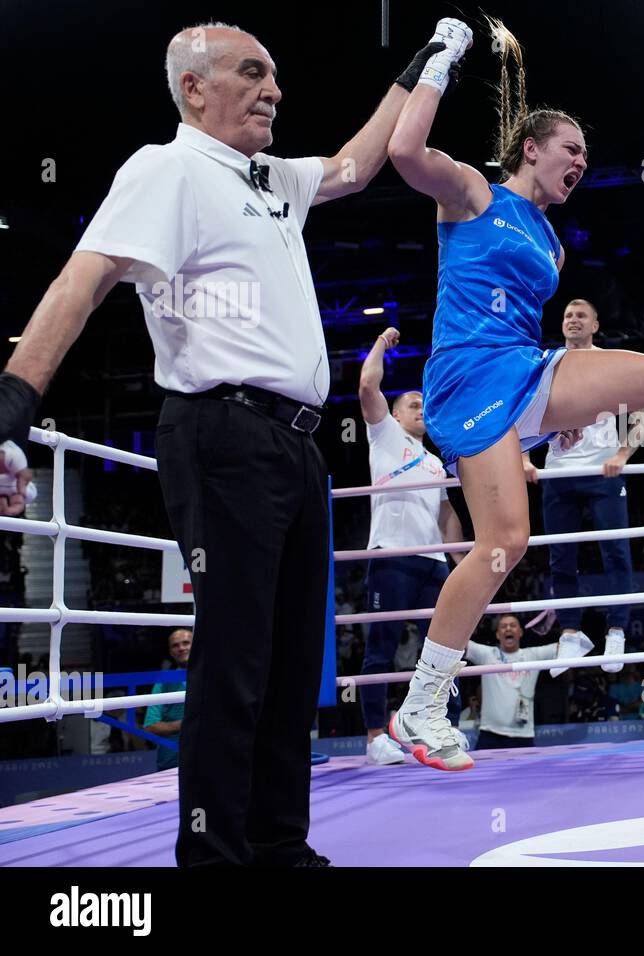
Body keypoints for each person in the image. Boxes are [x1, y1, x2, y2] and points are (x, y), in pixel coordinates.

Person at [0, 20, 453, 866]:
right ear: (193, 89)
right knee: (238, 658)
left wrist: (419, 68)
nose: (275, 90)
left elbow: (359, 164)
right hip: (222, 432)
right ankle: (214, 858)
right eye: (253, 73)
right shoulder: (165, 167)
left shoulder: (271, 177)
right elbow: (82, 280)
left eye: (277, 76)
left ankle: (281, 845)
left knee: (290, 666)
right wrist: (12, 406)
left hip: (298, 444)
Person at [382, 17, 644, 771]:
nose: (583, 162)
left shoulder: (552, 241)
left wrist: (561, 413)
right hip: (465, 381)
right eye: (571, 149)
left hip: (524, 369)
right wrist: (439, 58)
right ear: (532, 148)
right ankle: (421, 708)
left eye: (587, 153)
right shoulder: (474, 194)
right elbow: (403, 151)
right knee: (503, 546)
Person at [357, 327, 467, 765]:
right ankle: (373, 738)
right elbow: (368, 385)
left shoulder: (436, 460)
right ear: (396, 415)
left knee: (443, 650)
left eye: (425, 405)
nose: (422, 410)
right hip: (391, 556)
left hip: (433, 564)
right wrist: (380, 345)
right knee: (381, 645)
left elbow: (446, 516)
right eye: (414, 405)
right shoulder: (384, 436)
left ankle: (445, 728)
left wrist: (461, 562)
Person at [532, 298, 644, 675]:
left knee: (614, 551)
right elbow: (520, 416)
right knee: (560, 557)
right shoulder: (547, 363)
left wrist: (623, 455)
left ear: (596, 324)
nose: (573, 320)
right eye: (568, 316)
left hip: (603, 472)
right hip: (556, 473)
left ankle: (616, 631)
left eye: (581, 315)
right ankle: (570, 634)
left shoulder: (610, 363)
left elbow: (643, 416)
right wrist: (523, 461)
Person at [463, 614, 592, 749]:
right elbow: (459, 644)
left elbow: (576, 646)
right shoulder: (487, 654)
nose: (508, 629)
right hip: (489, 733)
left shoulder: (532, 655)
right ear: (497, 634)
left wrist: (565, 625)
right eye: (503, 626)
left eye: (513, 625)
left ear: (520, 632)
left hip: (523, 735)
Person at [142, 628, 192, 770]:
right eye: (175, 645)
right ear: (170, 652)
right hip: (172, 763)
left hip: (210, 759)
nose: (181, 648)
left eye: (186, 643)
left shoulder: (213, 676)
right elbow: (150, 726)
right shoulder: (164, 681)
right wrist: (190, 723)